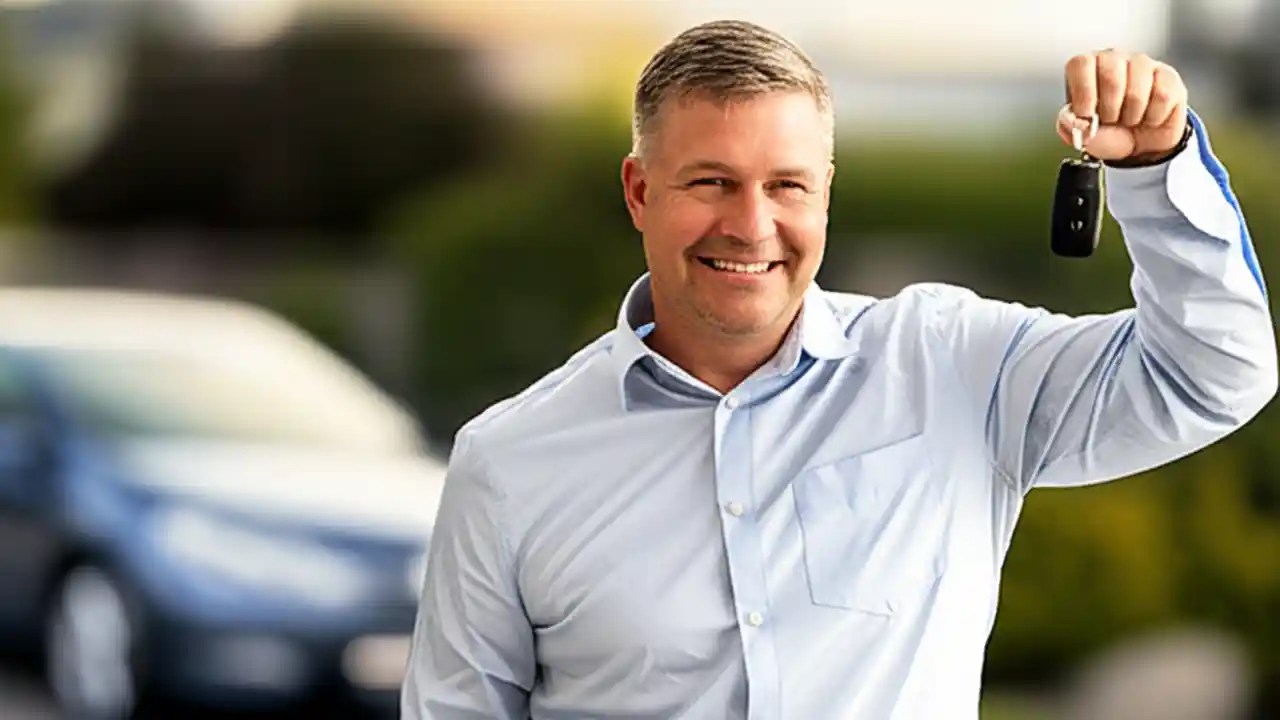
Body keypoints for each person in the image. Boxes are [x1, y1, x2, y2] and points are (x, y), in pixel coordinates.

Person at [401, 19, 1277, 720]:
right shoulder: (509, 462)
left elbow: (1215, 373)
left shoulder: (953, 368)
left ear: (825, 191)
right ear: (639, 191)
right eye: (710, 182)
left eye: (786, 185)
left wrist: (1159, 176)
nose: (750, 226)